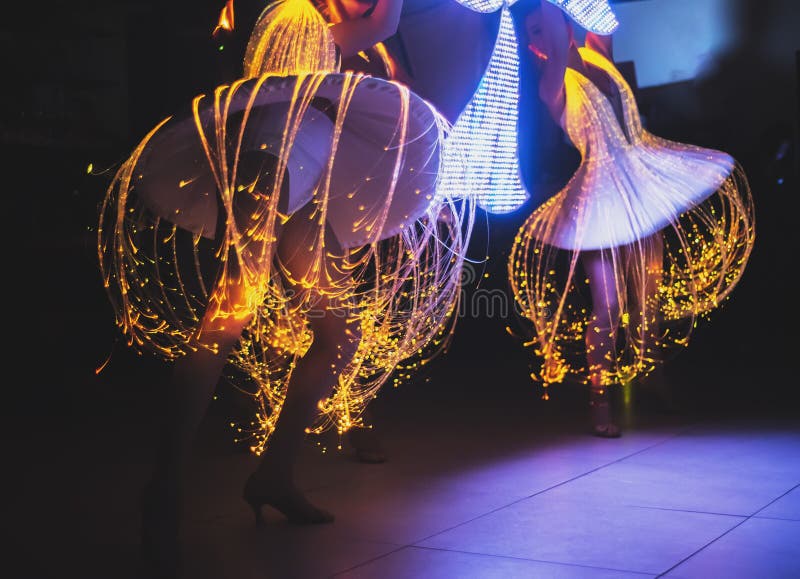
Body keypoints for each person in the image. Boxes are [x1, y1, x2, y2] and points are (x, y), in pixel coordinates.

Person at [98, 0, 473, 574]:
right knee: (230, 312)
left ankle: (274, 474)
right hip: (271, 158)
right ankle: (165, 490)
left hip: (300, 164)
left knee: (340, 333)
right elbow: (385, 22)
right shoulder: (301, 16)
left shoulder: (298, 25)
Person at [507, 0, 755, 437]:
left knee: (647, 300)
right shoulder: (552, 84)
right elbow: (556, 26)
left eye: (544, 26)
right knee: (609, 306)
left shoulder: (599, 54)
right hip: (600, 199)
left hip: (639, 186)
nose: (544, 32)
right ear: (533, 46)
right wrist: (548, 10)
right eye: (535, 32)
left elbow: (597, 16)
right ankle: (600, 403)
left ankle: (653, 377)